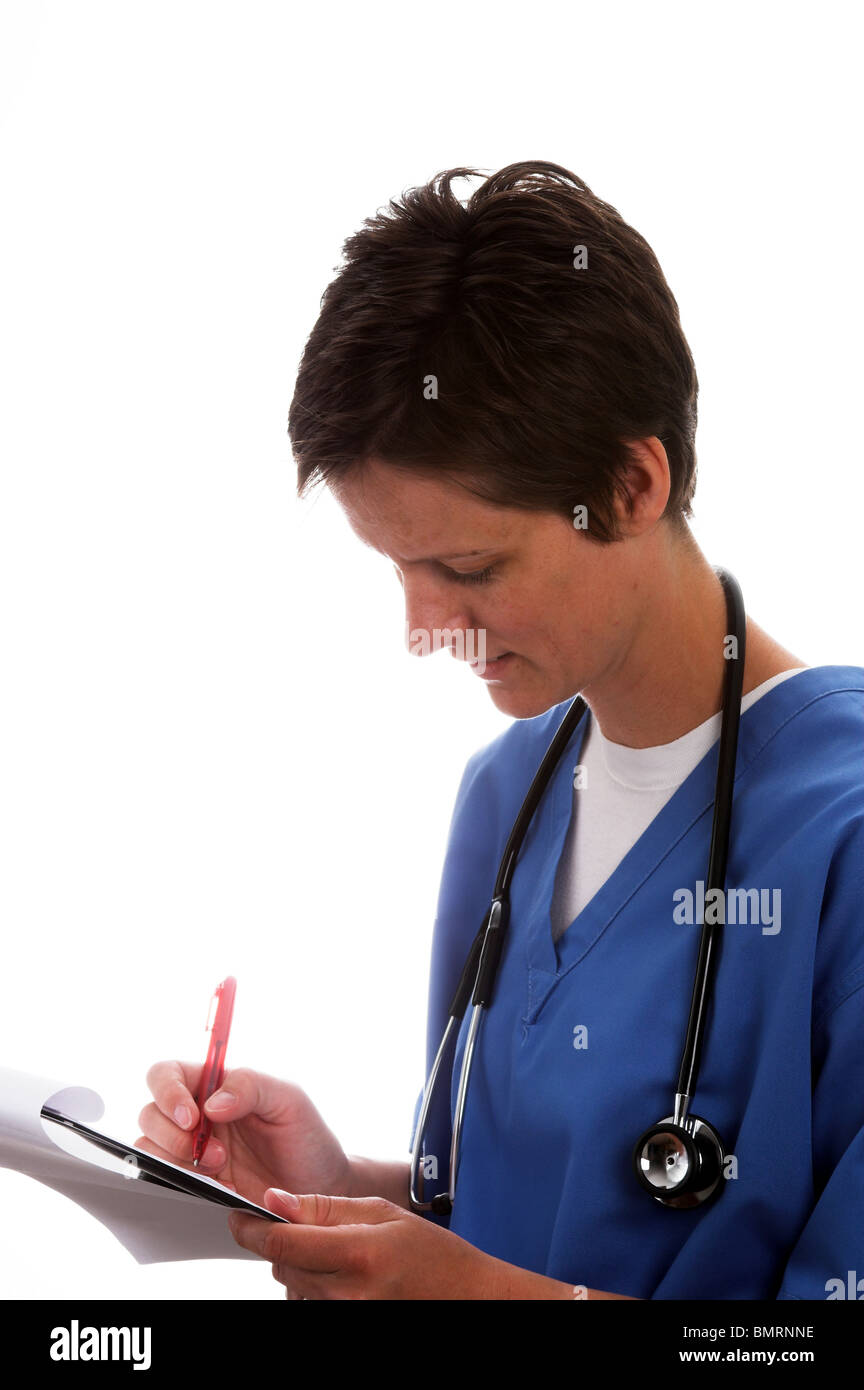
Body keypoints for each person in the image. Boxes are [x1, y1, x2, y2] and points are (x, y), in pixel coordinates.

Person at [137, 162, 864, 1299]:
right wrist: (338, 1191)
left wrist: (483, 1302)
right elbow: (513, 1218)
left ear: (631, 482)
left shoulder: (845, 840)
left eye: (468, 568)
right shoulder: (506, 798)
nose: (426, 627)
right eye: (398, 568)